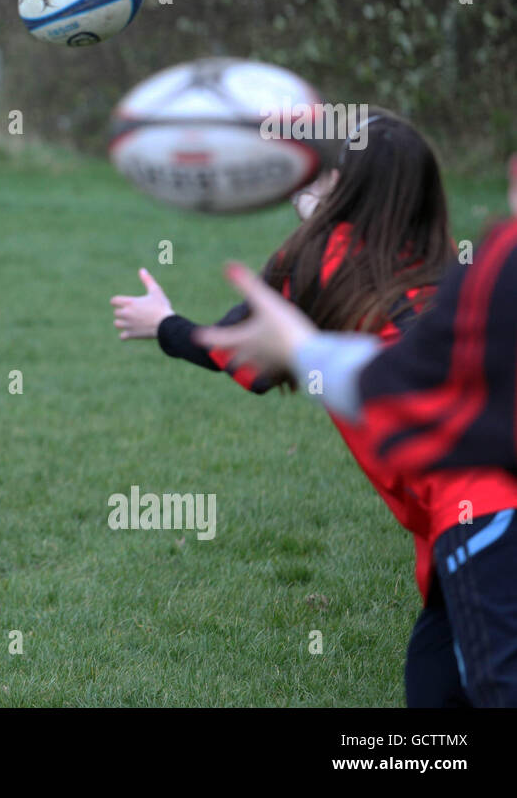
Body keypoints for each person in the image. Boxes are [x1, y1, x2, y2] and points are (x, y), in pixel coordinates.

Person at [109, 112, 511, 706]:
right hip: (467, 510)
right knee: (435, 683)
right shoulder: (451, 261)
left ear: (344, 184)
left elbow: (239, 353)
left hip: (480, 514)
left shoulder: (319, 257)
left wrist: (163, 324)